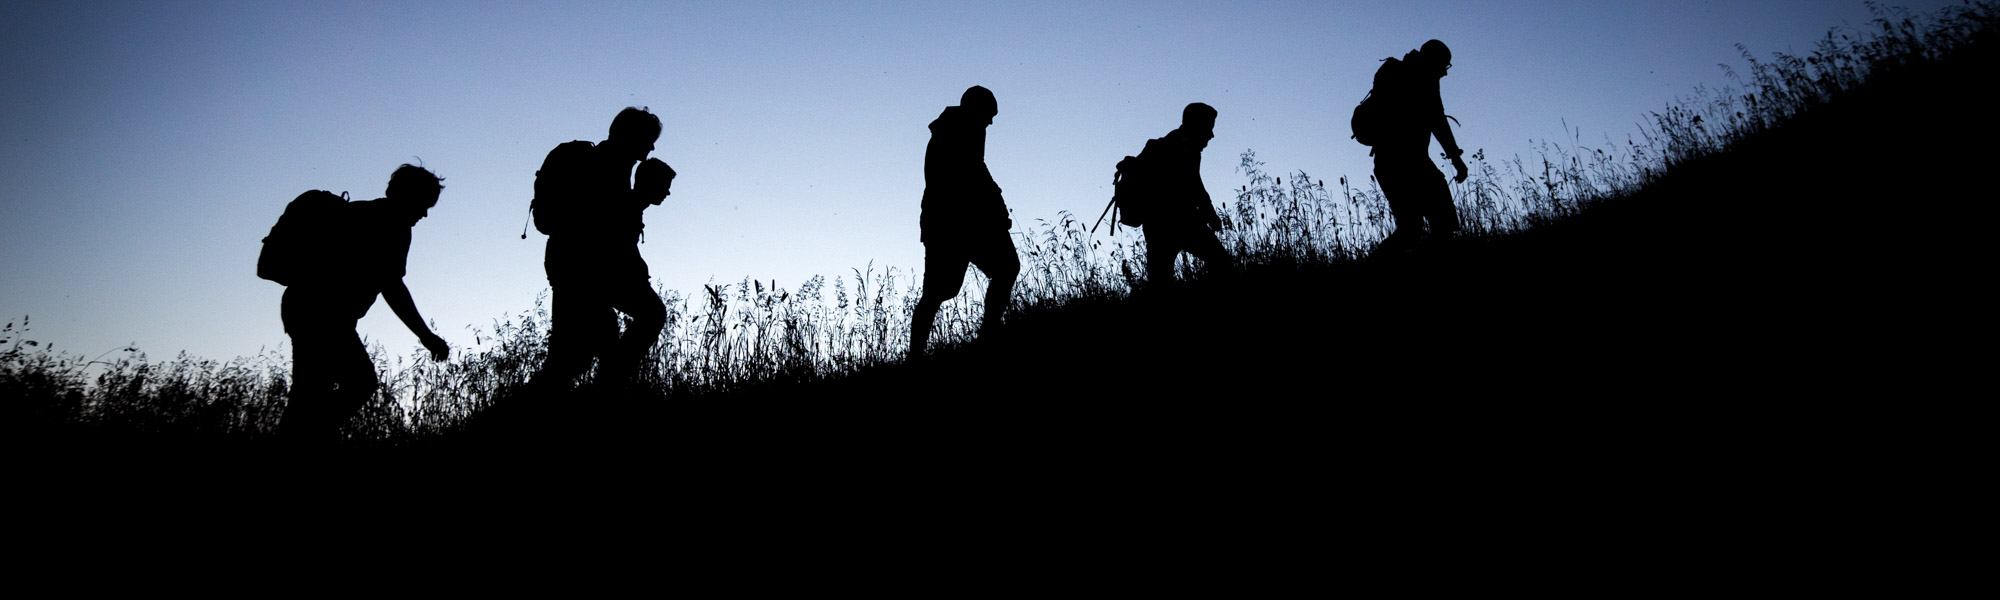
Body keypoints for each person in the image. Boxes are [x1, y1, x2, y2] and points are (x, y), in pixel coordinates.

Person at [280, 164, 450, 445]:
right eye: (424, 204)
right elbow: (392, 287)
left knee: (310, 392)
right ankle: (309, 436)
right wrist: (426, 335)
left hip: (303, 305)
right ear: (409, 196)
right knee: (358, 382)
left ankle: (304, 435)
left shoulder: (361, 210)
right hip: (324, 314)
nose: (424, 214)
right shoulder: (392, 225)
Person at [530, 107, 674, 392]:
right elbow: (605, 233)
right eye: (649, 139)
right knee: (576, 356)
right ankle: (604, 392)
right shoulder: (607, 166)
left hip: (571, 268)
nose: (652, 146)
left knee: (574, 357)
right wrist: (638, 202)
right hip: (582, 272)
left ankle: (602, 390)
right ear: (630, 135)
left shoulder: (616, 165)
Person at [910, 86, 1019, 358]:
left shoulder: (960, 129)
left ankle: (986, 336)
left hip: (960, 222)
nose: (990, 122)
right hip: (953, 224)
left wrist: (995, 207)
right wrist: (996, 208)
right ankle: (916, 356)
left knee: (1004, 268)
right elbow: (972, 175)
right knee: (939, 292)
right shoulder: (956, 131)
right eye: (989, 115)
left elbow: (977, 171)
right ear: (975, 109)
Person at [1372, 39, 1469, 255]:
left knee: (1412, 230)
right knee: (1436, 224)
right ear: (1433, 61)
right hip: (1409, 163)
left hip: (1388, 162)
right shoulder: (1424, 79)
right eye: (1444, 65)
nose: (1445, 72)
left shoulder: (1394, 72)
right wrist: (1457, 160)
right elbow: (1438, 122)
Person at [1142, 102, 1231, 284]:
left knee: (1159, 282)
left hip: (1155, 224)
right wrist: (1211, 216)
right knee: (1222, 263)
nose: (1211, 135)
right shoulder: (1185, 146)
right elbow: (1193, 184)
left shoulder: (1168, 143)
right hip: (1181, 221)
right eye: (1209, 127)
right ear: (1197, 125)